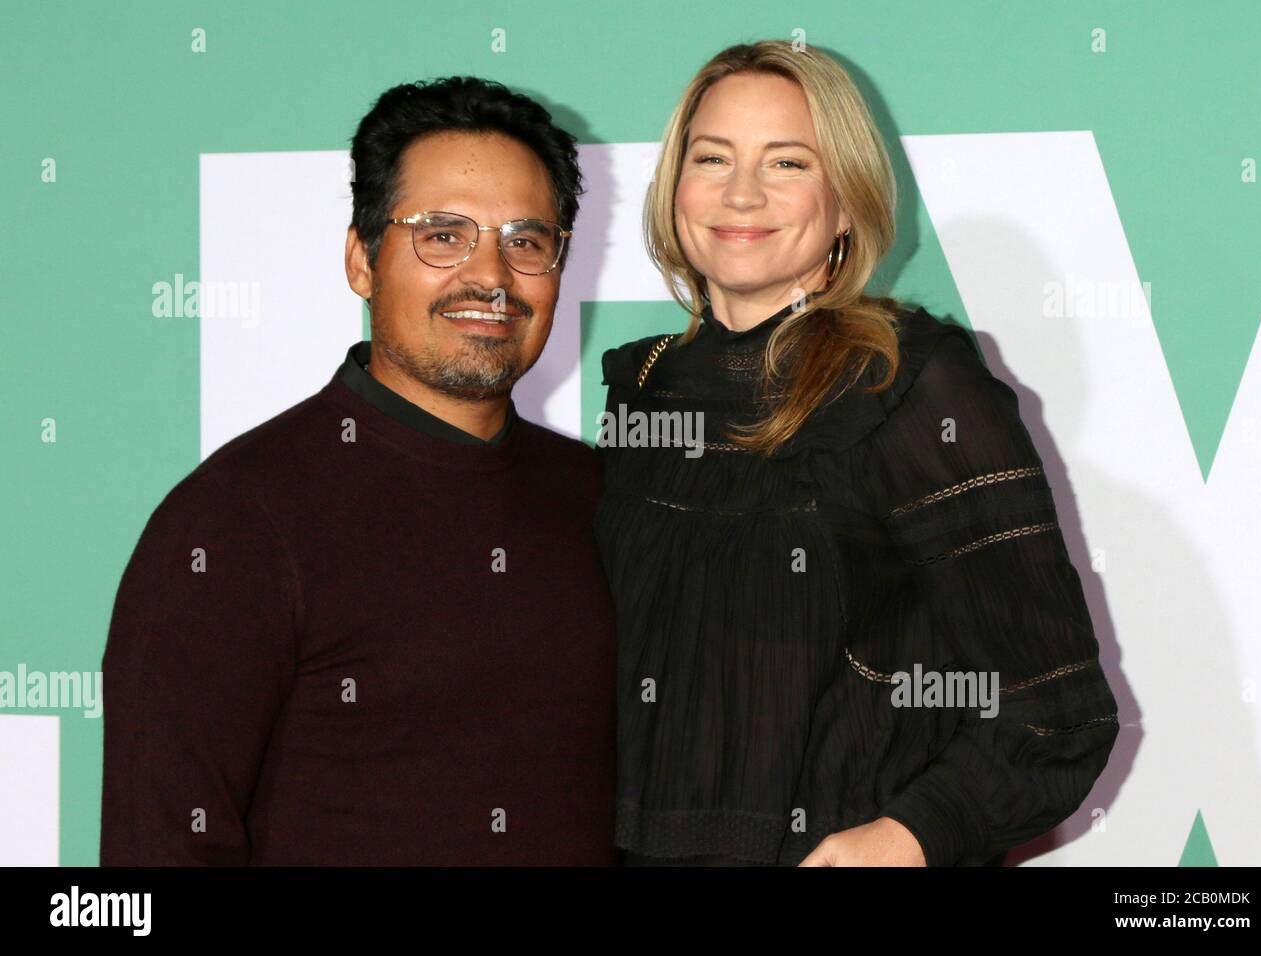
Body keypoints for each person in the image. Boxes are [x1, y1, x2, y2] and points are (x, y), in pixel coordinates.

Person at [596, 41, 1120, 867]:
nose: (742, 192)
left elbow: (1058, 711)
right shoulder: (642, 389)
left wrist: (908, 837)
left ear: (845, 204)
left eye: (788, 162)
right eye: (712, 158)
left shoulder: (910, 384)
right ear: (673, 192)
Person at [100, 77, 618, 865]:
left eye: (526, 240)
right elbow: (155, 851)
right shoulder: (234, 522)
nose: (490, 276)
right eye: (442, 234)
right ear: (361, 259)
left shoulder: (597, 496)